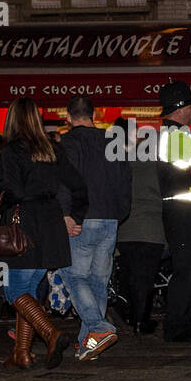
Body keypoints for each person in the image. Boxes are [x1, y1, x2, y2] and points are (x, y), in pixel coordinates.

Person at [0, 98, 90, 370]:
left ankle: (51, 333)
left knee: (13, 290)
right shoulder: (52, 149)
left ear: (12, 119)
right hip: (50, 223)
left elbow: (9, 189)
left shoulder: (12, 151)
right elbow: (78, 185)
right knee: (28, 291)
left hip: (24, 222)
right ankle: (21, 353)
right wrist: (76, 215)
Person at [56, 94, 130, 360]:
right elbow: (124, 180)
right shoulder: (112, 142)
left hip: (82, 216)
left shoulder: (66, 144)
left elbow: (64, 182)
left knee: (74, 276)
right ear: (94, 115)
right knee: (98, 280)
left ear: (67, 117)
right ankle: (89, 344)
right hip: (109, 216)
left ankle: (98, 328)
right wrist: (119, 213)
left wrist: (65, 213)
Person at [158, 80, 191, 341]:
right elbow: (187, 176)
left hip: (177, 210)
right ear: (180, 108)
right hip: (182, 212)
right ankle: (179, 328)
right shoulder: (178, 136)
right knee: (188, 270)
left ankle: (182, 325)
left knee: (188, 269)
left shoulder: (171, 134)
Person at [115, 117, 166, 335]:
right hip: (152, 227)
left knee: (129, 275)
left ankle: (131, 317)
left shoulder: (118, 160)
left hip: (125, 228)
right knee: (146, 277)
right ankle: (141, 321)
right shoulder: (154, 161)